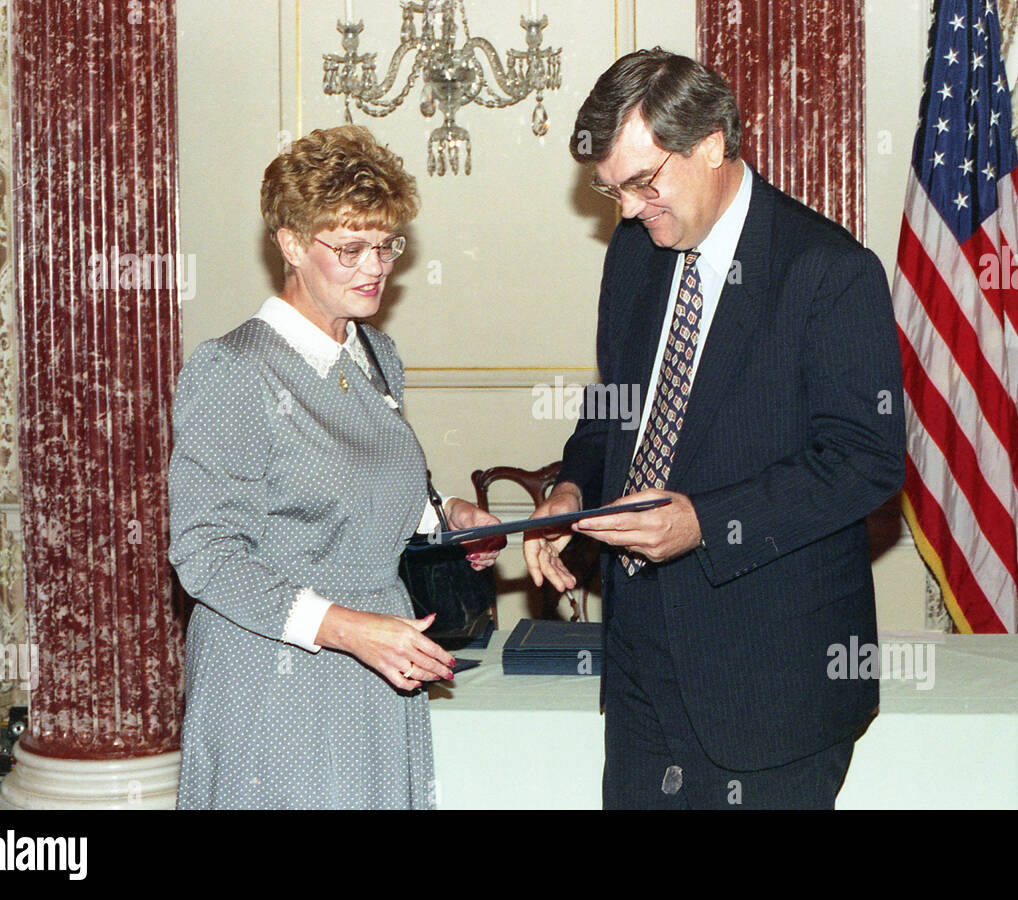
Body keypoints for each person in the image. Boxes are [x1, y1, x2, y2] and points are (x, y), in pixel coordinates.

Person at [524, 50, 906, 809]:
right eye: (612, 191)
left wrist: (706, 522)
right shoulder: (637, 254)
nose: (629, 210)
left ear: (710, 144)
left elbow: (867, 460)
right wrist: (571, 488)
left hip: (770, 688)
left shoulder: (827, 270)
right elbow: (618, 415)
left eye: (642, 182)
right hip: (639, 670)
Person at [169, 125, 500, 809]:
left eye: (385, 245)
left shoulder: (376, 354)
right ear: (290, 244)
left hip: (380, 652)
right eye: (350, 248)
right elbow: (204, 555)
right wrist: (348, 629)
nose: (375, 266)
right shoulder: (233, 371)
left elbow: (357, 489)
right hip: (275, 666)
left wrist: (446, 518)